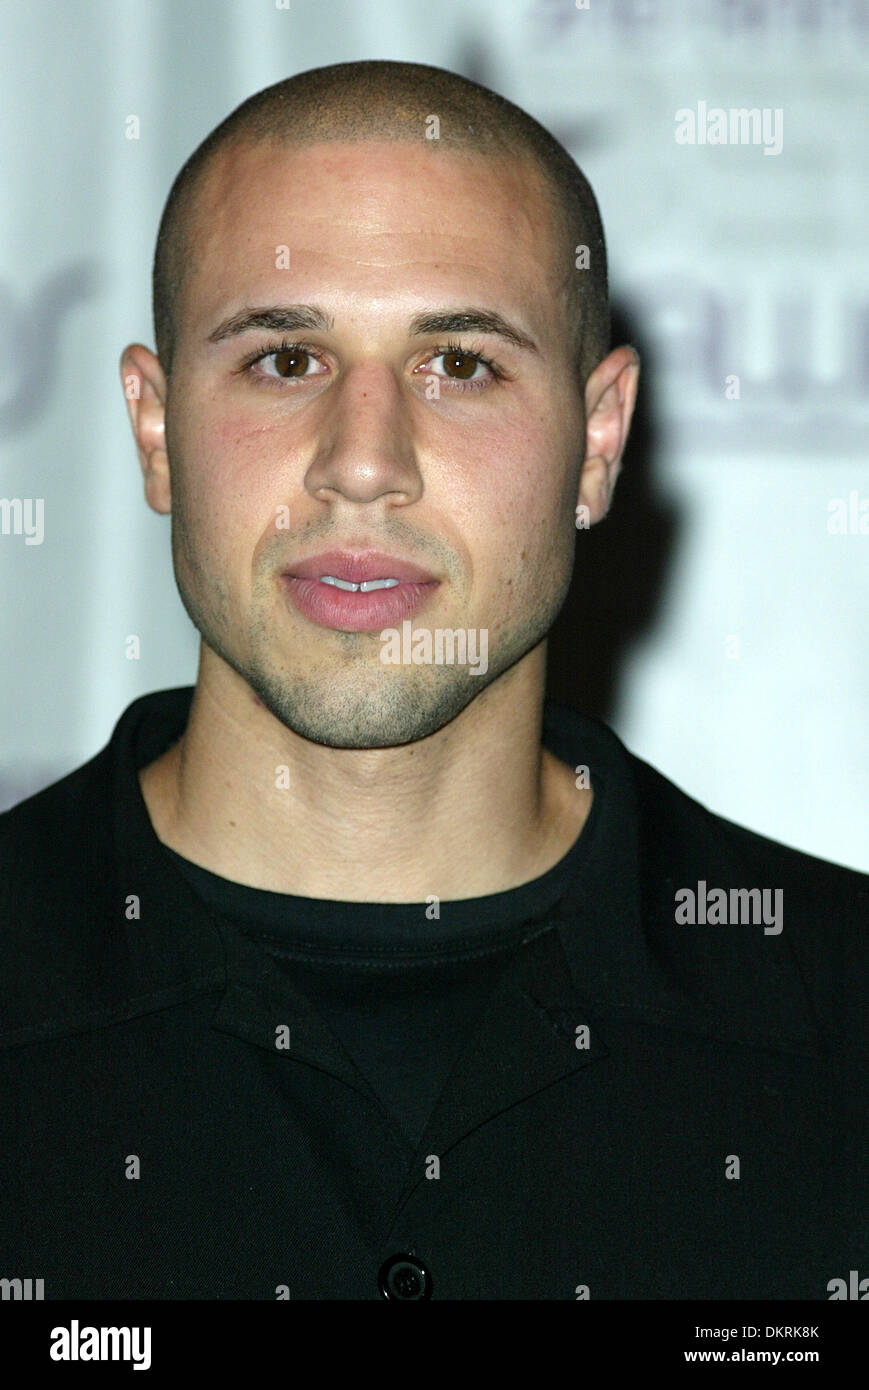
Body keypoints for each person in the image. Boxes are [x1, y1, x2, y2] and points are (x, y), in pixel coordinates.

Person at [0, 60, 865, 1302]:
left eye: (457, 364)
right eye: (283, 360)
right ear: (154, 428)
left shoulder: (838, 1022)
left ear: (597, 439)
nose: (363, 465)